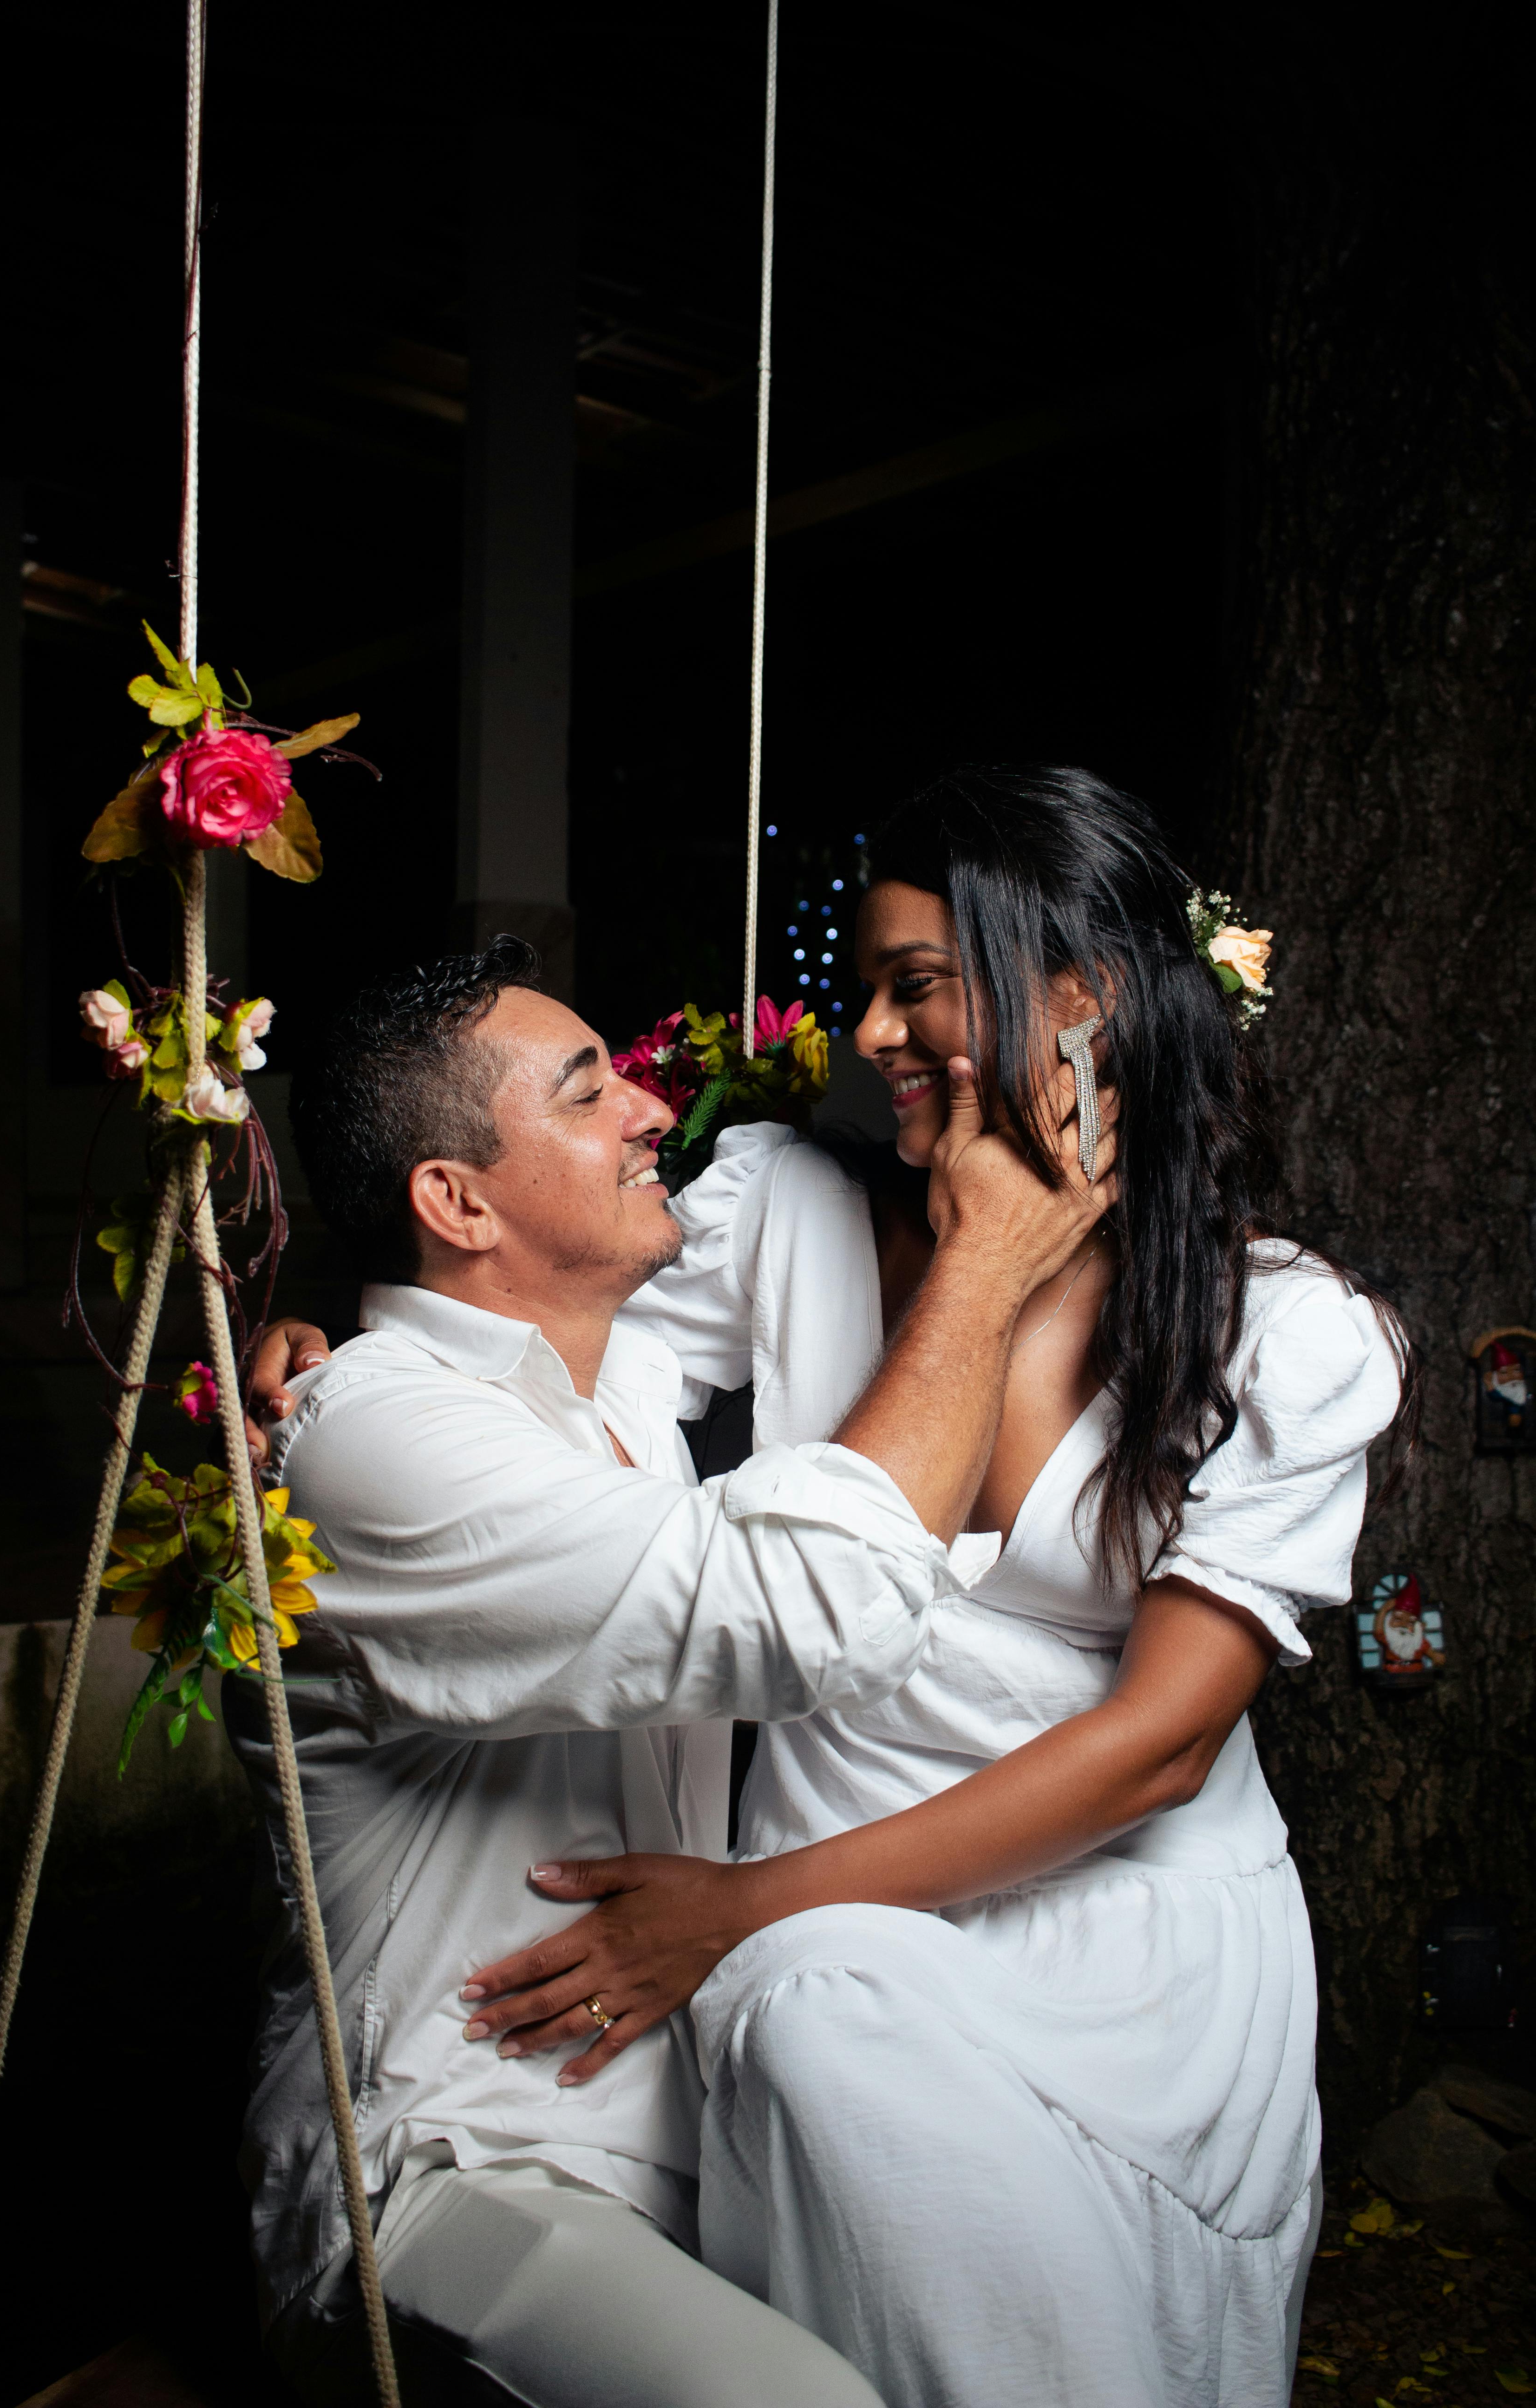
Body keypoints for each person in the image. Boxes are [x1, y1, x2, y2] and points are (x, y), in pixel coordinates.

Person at [435, 768, 1416, 2408]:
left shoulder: (1285, 1330)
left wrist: (743, 1908)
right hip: (840, 1953)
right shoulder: (787, 1214)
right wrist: (349, 1358)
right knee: (837, 2102)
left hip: (1132, 1958)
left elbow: (1164, 1745)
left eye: (918, 988)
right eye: (863, 991)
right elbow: (541, 1371)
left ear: (1081, 999)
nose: (875, 1034)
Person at [236, 934, 1113, 2408]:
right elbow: (814, 1601)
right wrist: (989, 1257)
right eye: (589, 1096)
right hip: (447, 2170)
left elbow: (813, 1178)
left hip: (685, 2151)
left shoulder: (609, 1385)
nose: (652, 1111)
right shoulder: (367, 1436)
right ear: (453, 1199)